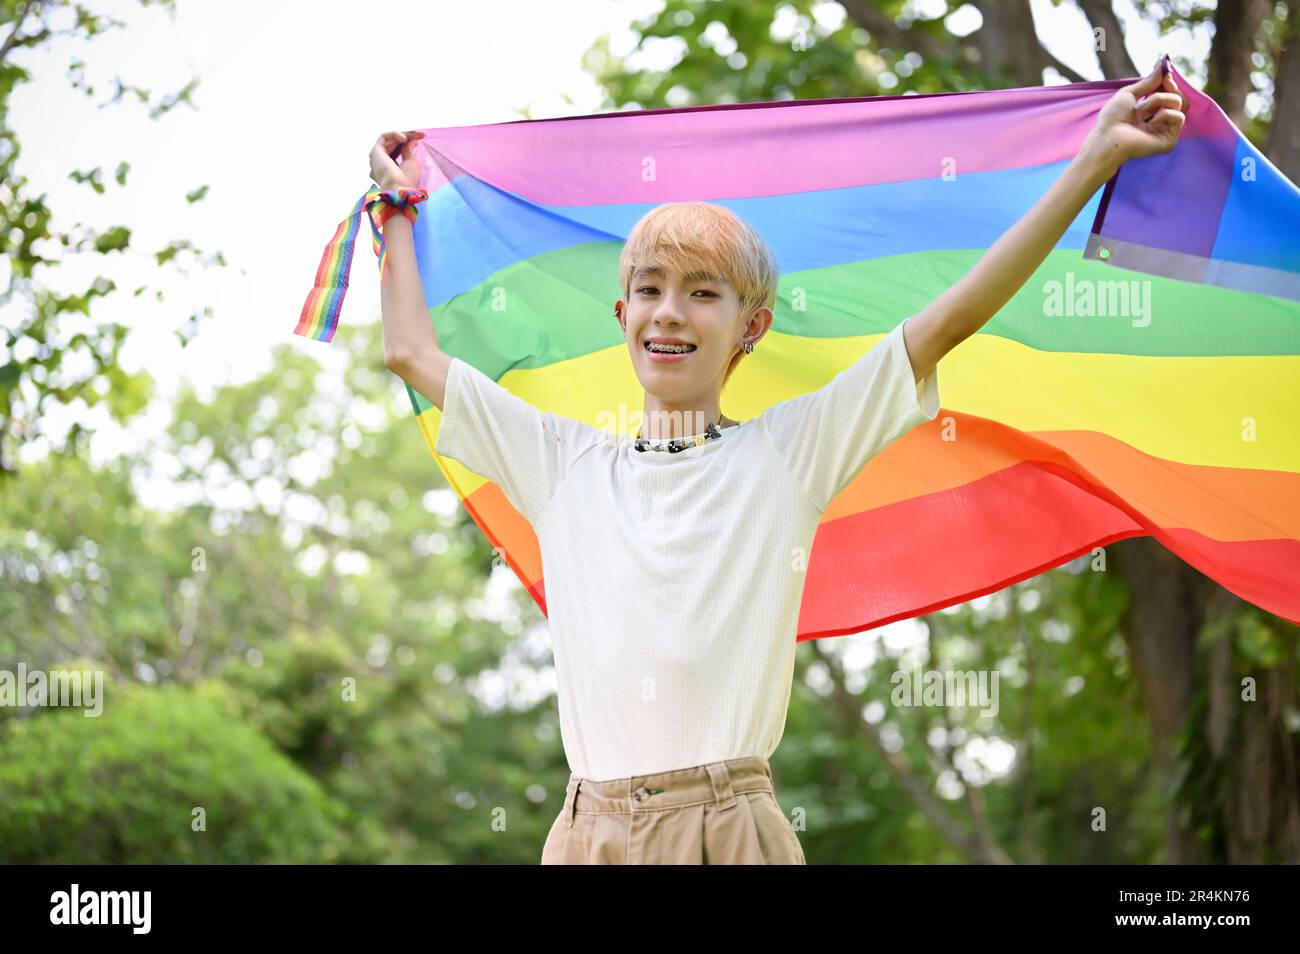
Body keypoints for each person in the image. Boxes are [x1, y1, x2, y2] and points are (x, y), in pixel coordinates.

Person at [368, 58, 1186, 865]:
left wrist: (1095, 159)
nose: (670, 312)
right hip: (591, 834)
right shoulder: (560, 462)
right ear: (622, 315)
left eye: (702, 292)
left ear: (750, 328)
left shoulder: (790, 452)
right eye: (650, 288)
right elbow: (409, 350)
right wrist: (394, 209)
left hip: (728, 825)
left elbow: (946, 321)